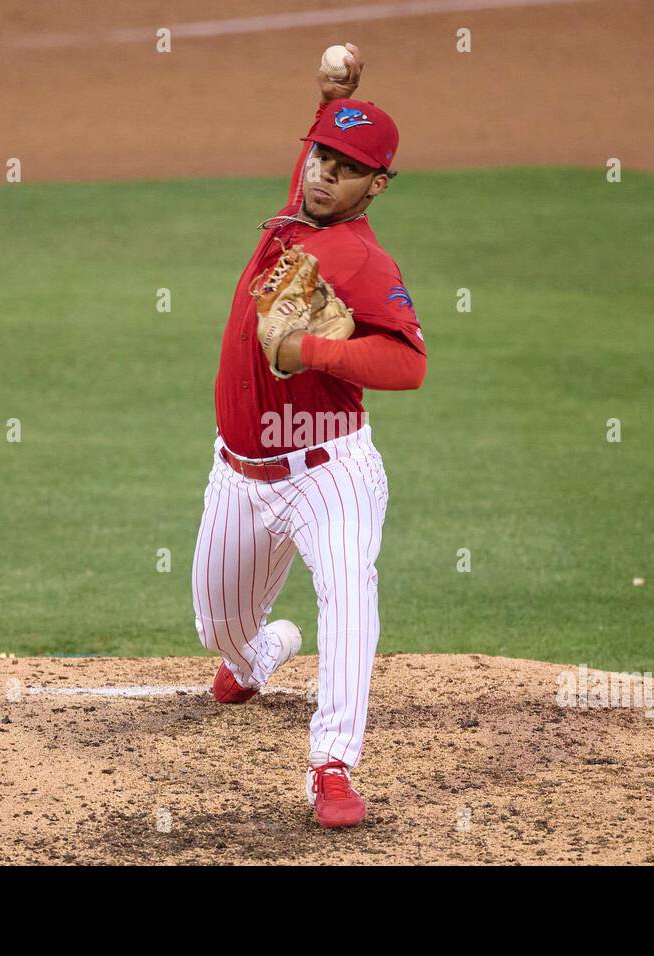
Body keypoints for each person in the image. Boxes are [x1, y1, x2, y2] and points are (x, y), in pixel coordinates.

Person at [190, 43, 426, 829]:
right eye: (320, 157)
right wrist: (335, 95)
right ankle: (254, 659)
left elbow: (408, 361)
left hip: (330, 470)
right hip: (240, 470)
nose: (325, 173)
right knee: (217, 625)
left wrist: (313, 351)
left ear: (375, 185)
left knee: (348, 587)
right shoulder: (300, 205)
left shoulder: (362, 259)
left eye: (346, 166)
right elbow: (320, 148)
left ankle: (333, 765)